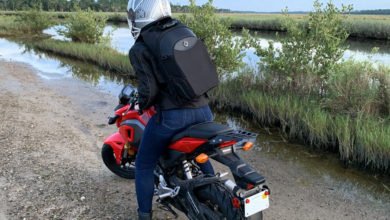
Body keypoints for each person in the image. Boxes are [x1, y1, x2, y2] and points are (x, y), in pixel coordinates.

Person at [126, 0, 217, 219]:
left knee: (144, 164)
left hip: (173, 117)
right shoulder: (184, 31)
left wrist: (142, 104)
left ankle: (144, 215)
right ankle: (213, 190)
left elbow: (149, 89)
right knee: (202, 154)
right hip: (205, 110)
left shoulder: (141, 46)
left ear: (139, 14)